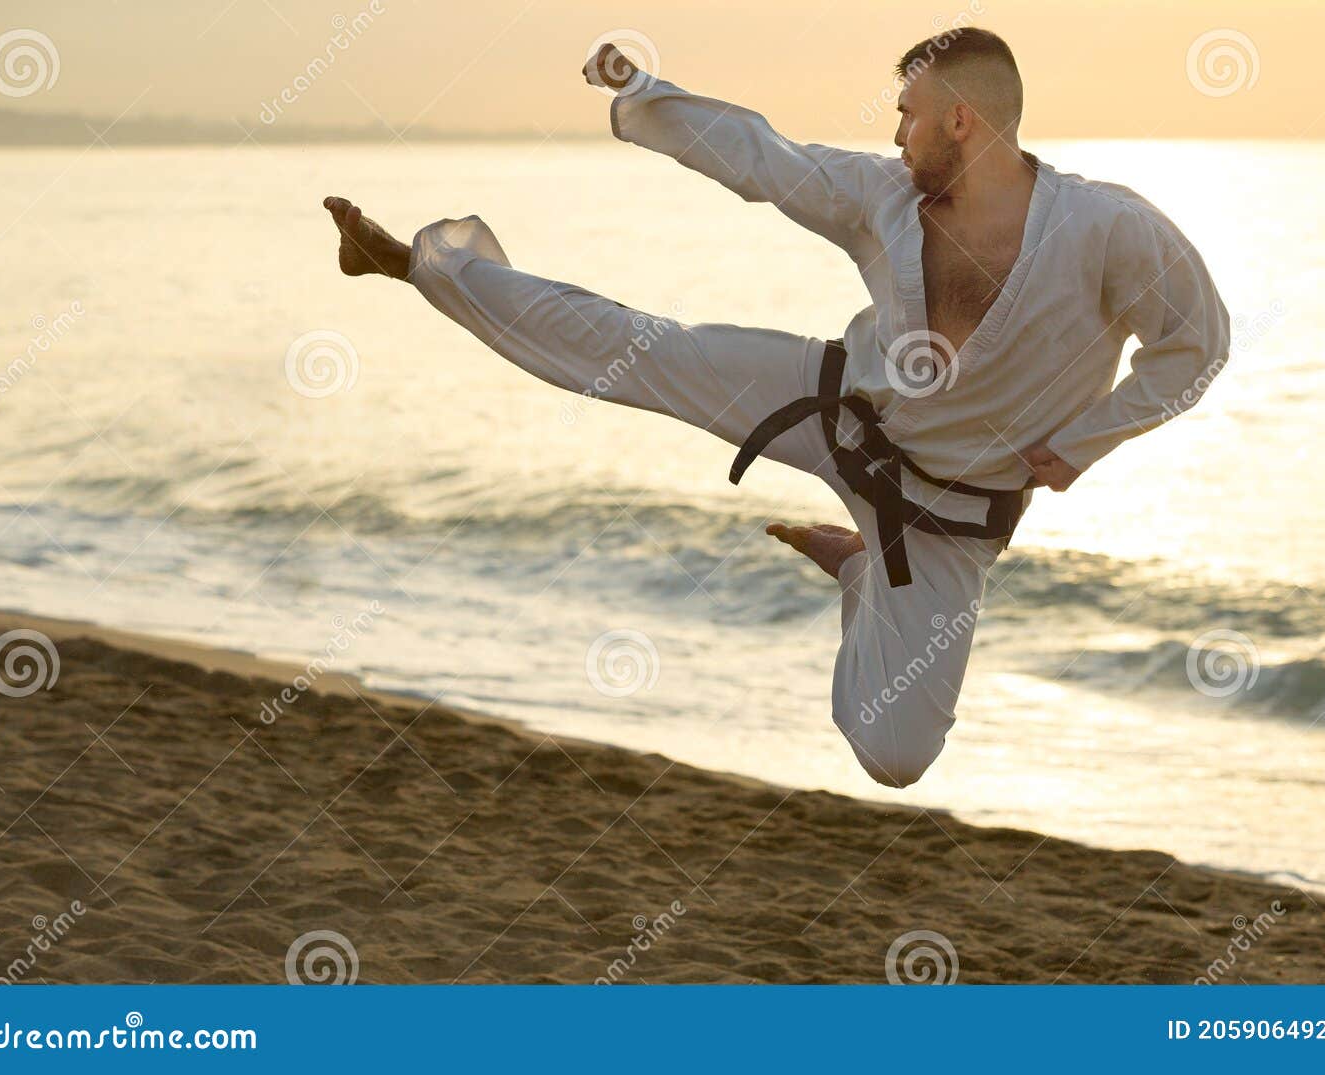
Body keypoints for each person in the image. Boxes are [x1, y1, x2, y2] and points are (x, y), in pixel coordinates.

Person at [322, 27, 1229, 788]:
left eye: (909, 115)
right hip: (832, 410)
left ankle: (858, 573)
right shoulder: (885, 198)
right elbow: (763, 156)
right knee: (630, 350)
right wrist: (643, 94)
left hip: (944, 520)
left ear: (962, 118)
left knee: (896, 753)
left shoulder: (1107, 229)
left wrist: (1086, 441)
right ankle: (413, 263)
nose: (898, 134)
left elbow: (1199, 343)